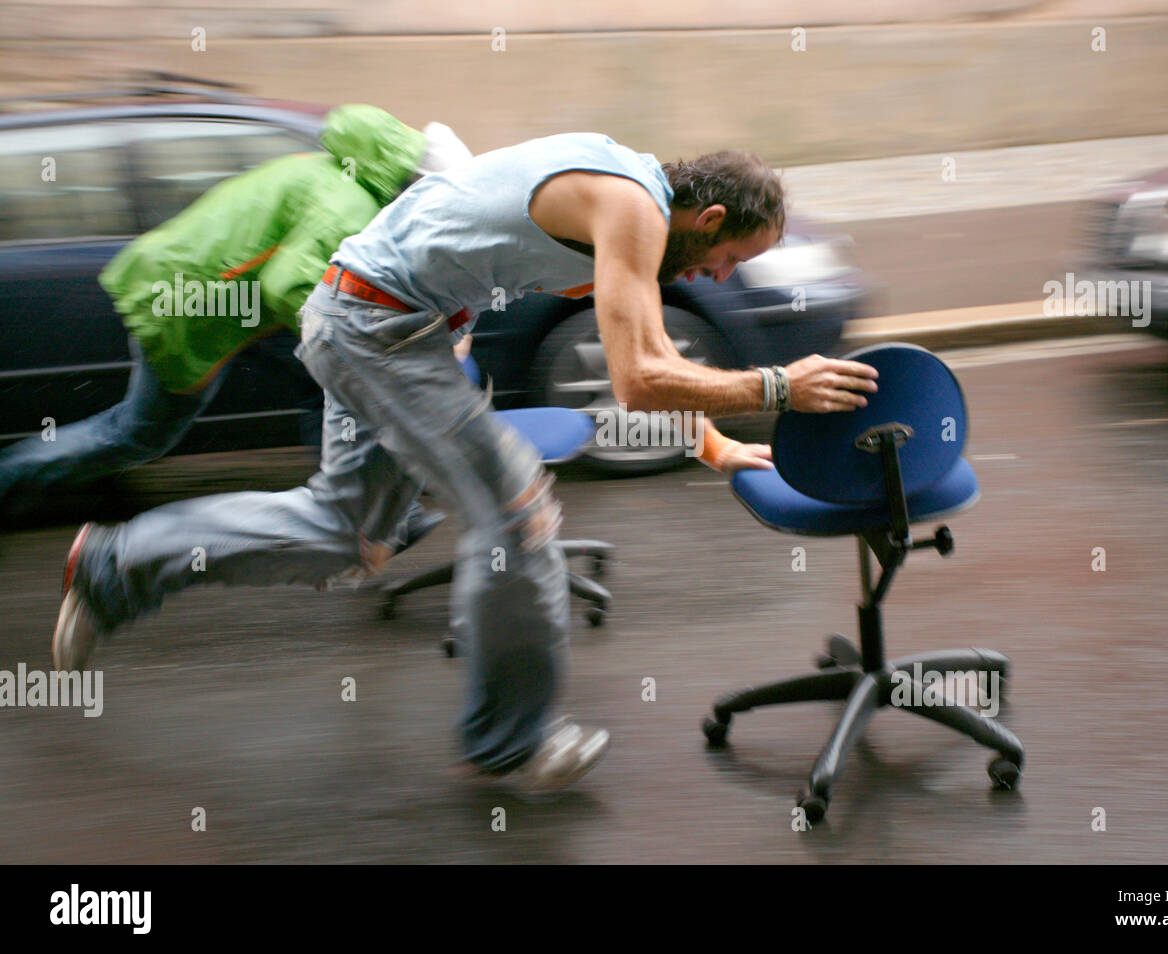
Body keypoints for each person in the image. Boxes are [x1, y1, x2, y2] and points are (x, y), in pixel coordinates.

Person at [51, 134, 880, 792]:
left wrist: (717, 442)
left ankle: (114, 567)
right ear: (710, 219)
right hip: (379, 328)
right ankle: (509, 744)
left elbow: (653, 361)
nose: (723, 276)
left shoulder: (626, 194)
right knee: (516, 509)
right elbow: (636, 380)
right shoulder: (631, 209)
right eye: (733, 257)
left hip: (380, 323)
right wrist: (778, 383)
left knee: (344, 532)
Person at [0, 106, 466, 534]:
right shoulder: (350, 208)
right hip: (194, 302)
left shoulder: (340, 175)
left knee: (328, 388)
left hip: (220, 292)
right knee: (137, 435)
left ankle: (375, 516)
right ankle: (8, 477)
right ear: (414, 187)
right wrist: (363, 339)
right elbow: (289, 286)